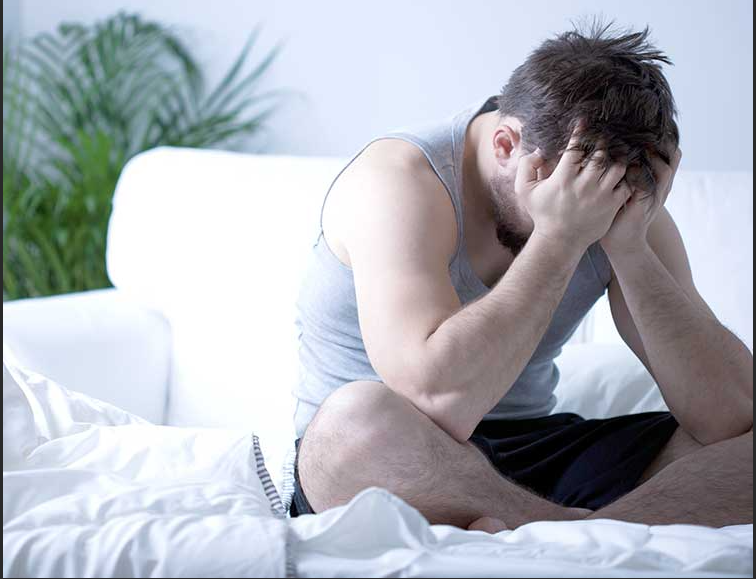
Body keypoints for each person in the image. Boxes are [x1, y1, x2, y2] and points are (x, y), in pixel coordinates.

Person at [290, 23, 753, 531]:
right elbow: (440, 401)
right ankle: (578, 531)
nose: (595, 207)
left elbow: (730, 415)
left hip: (532, 445)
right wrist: (559, 237)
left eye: (612, 193)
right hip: (402, 448)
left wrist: (631, 247)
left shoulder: (618, 202)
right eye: (574, 189)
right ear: (506, 144)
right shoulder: (397, 181)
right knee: (353, 425)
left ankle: (567, 532)